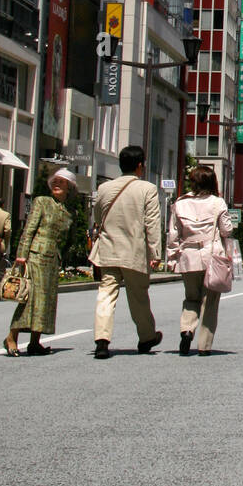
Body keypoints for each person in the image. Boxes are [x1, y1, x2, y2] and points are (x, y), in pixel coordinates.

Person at [89, 145, 163, 361]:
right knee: (138, 296)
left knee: (106, 294)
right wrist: (155, 253)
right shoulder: (147, 189)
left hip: (108, 249)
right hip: (134, 251)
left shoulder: (104, 188)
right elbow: (152, 223)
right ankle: (146, 336)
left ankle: (102, 340)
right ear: (140, 165)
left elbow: (97, 216)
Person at [3, 170, 76, 356]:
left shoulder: (70, 211)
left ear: (70, 187)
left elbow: (70, 239)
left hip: (53, 260)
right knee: (29, 298)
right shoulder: (42, 202)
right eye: (55, 181)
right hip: (35, 256)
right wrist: (21, 254)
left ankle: (35, 342)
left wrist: (62, 256)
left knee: (46, 302)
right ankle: (12, 337)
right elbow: (29, 229)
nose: (57, 184)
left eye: (62, 182)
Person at [166, 164, 233, 356]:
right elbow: (226, 230)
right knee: (209, 301)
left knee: (191, 298)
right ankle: (204, 345)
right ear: (212, 182)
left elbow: (173, 235)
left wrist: (172, 257)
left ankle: (187, 329)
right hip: (212, 256)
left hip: (188, 255)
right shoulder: (217, 202)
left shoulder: (180, 203)